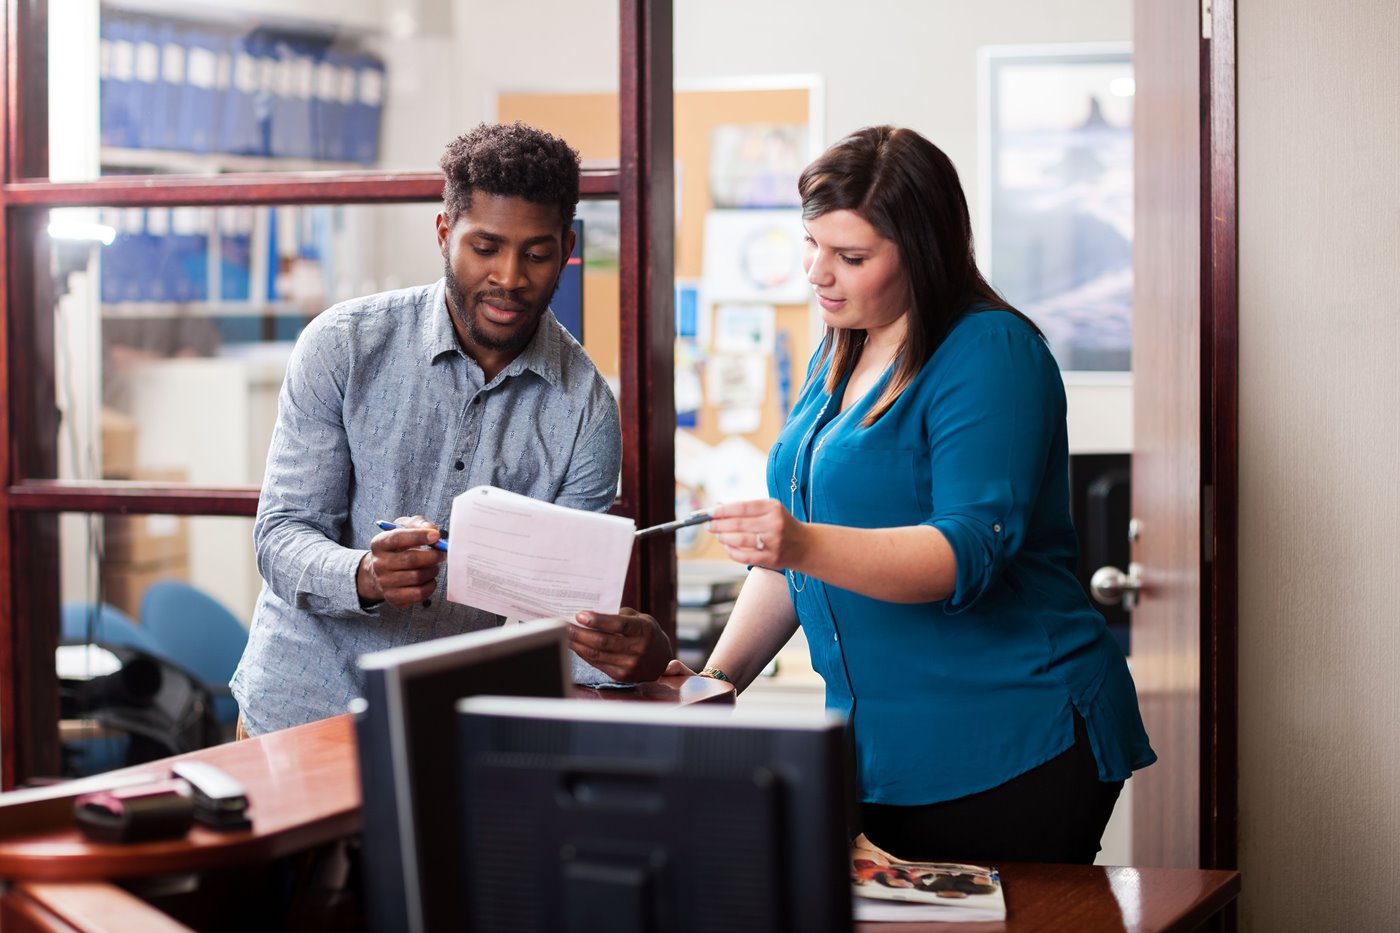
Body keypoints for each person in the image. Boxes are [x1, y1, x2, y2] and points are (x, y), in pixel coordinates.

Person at [669, 125, 1156, 864]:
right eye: (812, 245)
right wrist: (716, 678)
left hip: (1013, 734)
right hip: (880, 752)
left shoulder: (992, 353)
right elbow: (794, 556)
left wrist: (797, 540)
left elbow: (964, 553)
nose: (817, 274)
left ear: (922, 251)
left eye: (851, 257)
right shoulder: (844, 349)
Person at [231, 122, 670, 736]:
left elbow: (560, 617)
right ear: (445, 233)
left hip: (450, 730)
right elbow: (281, 536)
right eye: (485, 248)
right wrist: (365, 574)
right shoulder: (344, 346)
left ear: (566, 248)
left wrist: (633, 659)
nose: (510, 277)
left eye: (537, 254)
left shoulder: (586, 408)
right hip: (302, 711)